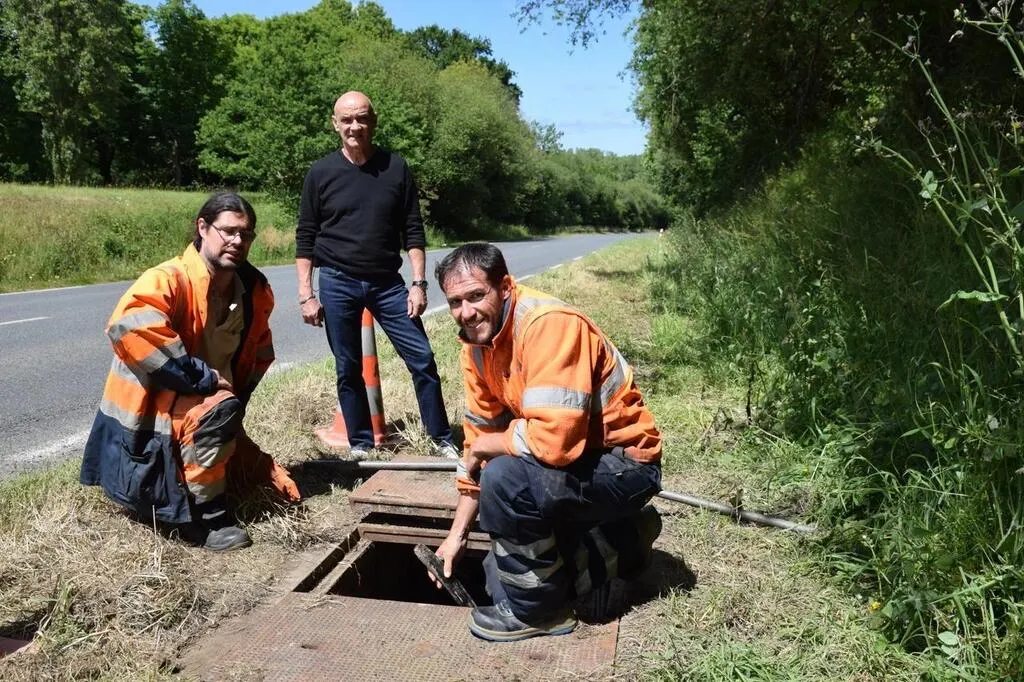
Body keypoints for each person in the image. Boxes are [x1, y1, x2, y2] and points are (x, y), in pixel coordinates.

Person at [431, 243, 664, 642]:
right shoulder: (477, 346)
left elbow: (552, 441)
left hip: (623, 464)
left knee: (504, 479)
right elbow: (475, 448)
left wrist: (490, 447)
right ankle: (628, 540)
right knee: (496, 576)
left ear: (504, 286)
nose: (465, 312)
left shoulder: (547, 324)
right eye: (455, 302)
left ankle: (543, 614)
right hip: (573, 466)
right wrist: (456, 537)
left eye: (475, 296)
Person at [80, 192, 300, 552]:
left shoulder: (254, 292)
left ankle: (205, 470)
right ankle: (207, 519)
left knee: (267, 480)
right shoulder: (169, 278)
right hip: (150, 420)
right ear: (203, 227)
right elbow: (129, 326)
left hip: (202, 411)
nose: (237, 241)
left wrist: (232, 411)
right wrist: (206, 381)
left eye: (246, 234)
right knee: (217, 411)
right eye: (227, 231)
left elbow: (257, 354)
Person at [295, 90, 457, 458]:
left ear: (374, 121)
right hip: (336, 281)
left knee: (422, 358)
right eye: (347, 119)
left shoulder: (396, 167)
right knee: (347, 366)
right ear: (335, 124)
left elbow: (413, 230)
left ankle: (441, 438)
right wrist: (306, 293)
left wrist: (418, 284)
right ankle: (362, 445)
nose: (355, 126)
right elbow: (305, 235)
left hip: (388, 284)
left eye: (362, 118)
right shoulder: (320, 173)